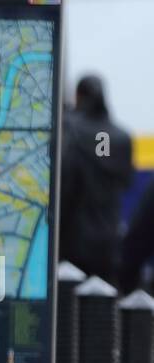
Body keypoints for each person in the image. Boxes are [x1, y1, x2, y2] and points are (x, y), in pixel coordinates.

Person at [60, 74, 133, 281]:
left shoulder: (70, 129)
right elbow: (124, 180)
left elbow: (66, 185)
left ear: (79, 95)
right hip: (108, 242)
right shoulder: (119, 137)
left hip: (73, 241)